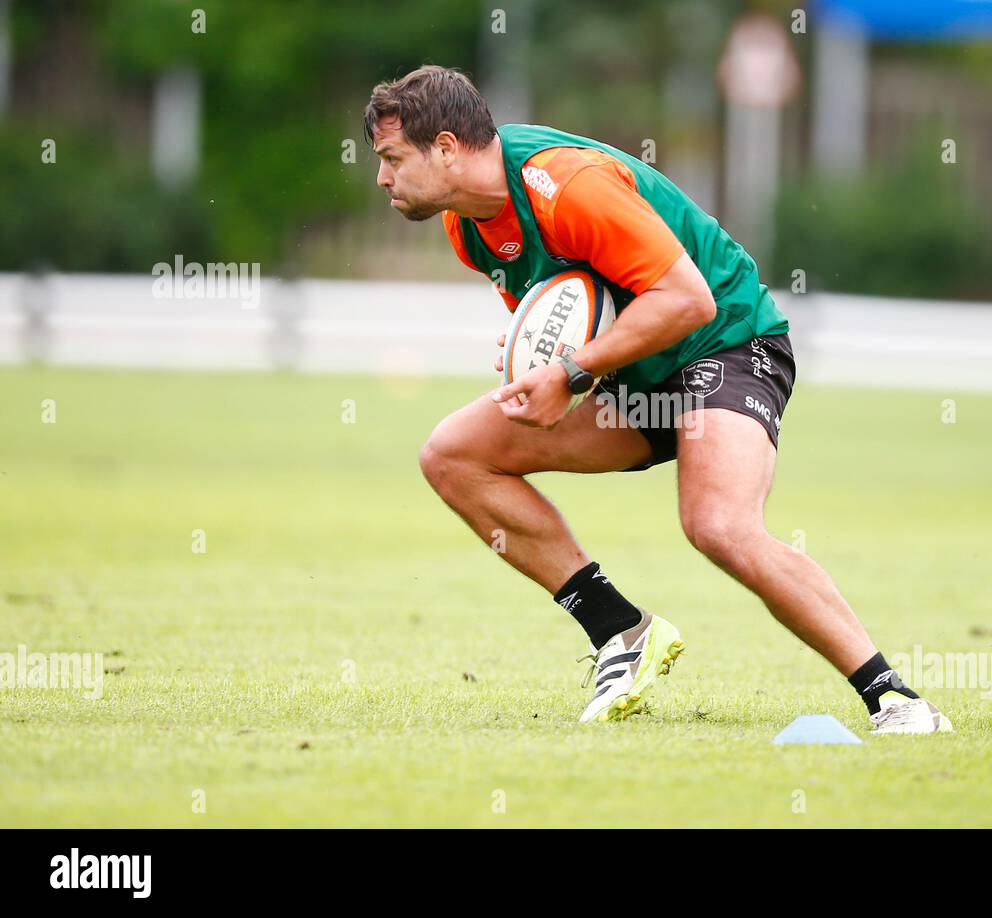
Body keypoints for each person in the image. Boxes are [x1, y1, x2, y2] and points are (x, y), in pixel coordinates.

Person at [364, 65, 951, 732]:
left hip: (726, 343)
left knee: (719, 525)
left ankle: (895, 698)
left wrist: (572, 372)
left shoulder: (565, 188)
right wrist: (541, 361)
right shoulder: (468, 228)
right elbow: (577, 312)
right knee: (452, 455)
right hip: (638, 376)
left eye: (391, 159)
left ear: (445, 147)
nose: (382, 179)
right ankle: (620, 631)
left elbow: (688, 299)